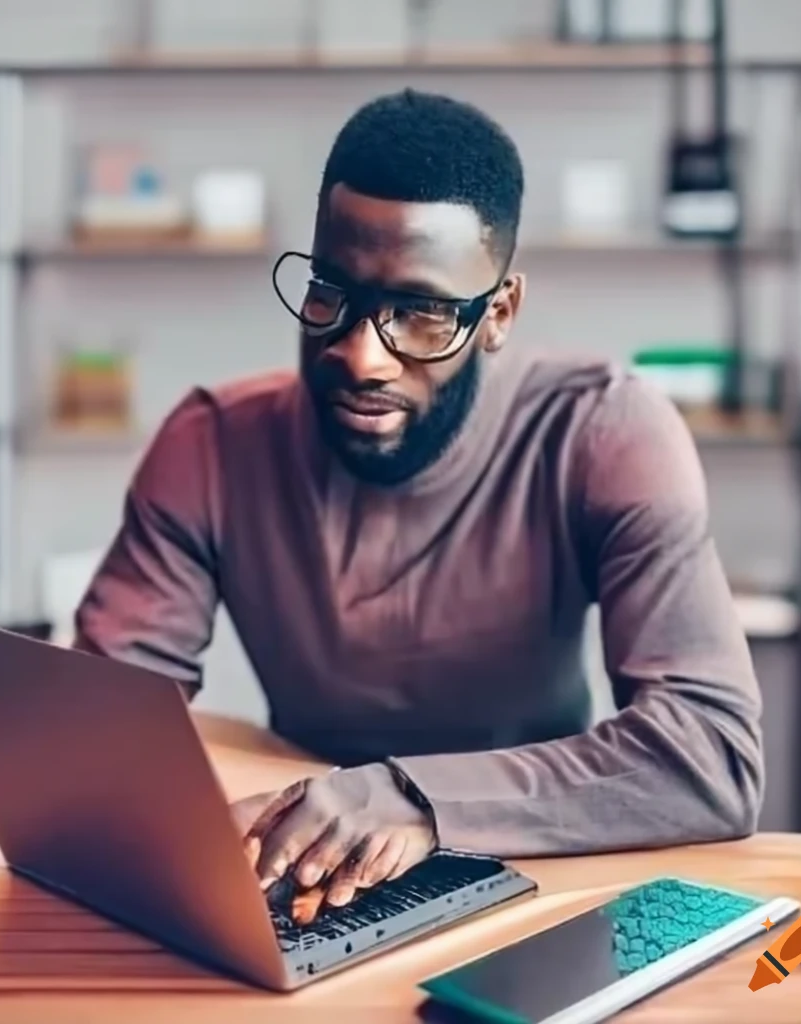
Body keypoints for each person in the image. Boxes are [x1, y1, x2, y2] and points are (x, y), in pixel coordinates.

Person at [73, 89, 763, 925]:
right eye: (332, 294)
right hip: (307, 882)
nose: (362, 356)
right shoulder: (210, 442)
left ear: (499, 312)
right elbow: (101, 732)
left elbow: (711, 756)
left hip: (537, 872)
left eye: (423, 313)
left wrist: (415, 798)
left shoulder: (604, 431)